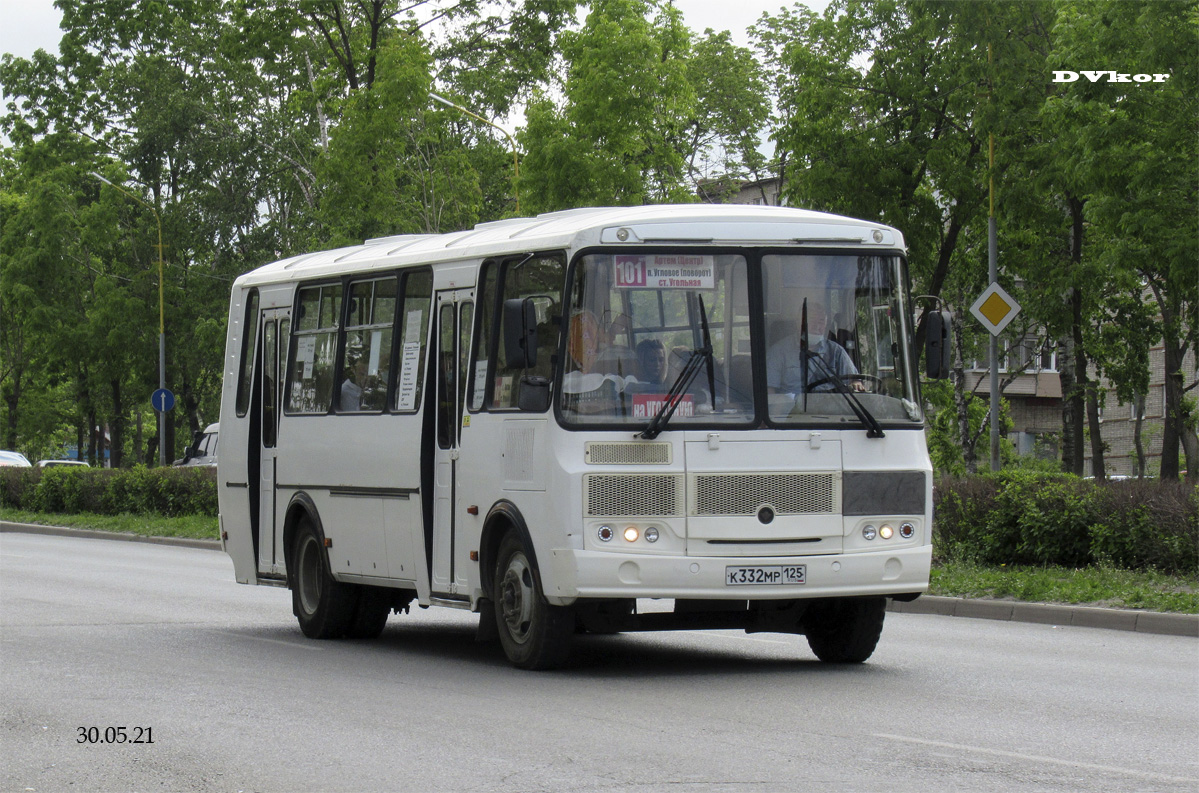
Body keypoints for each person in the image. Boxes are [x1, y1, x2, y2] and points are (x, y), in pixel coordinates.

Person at [766, 301, 864, 394]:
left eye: (821, 322)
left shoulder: (836, 351)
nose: (817, 327)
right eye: (812, 321)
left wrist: (856, 385)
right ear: (799, 323)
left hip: (830, 408)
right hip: (792, 409)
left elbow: (854, 380)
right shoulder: (779, 351)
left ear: (826, 324)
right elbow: (769, 392)